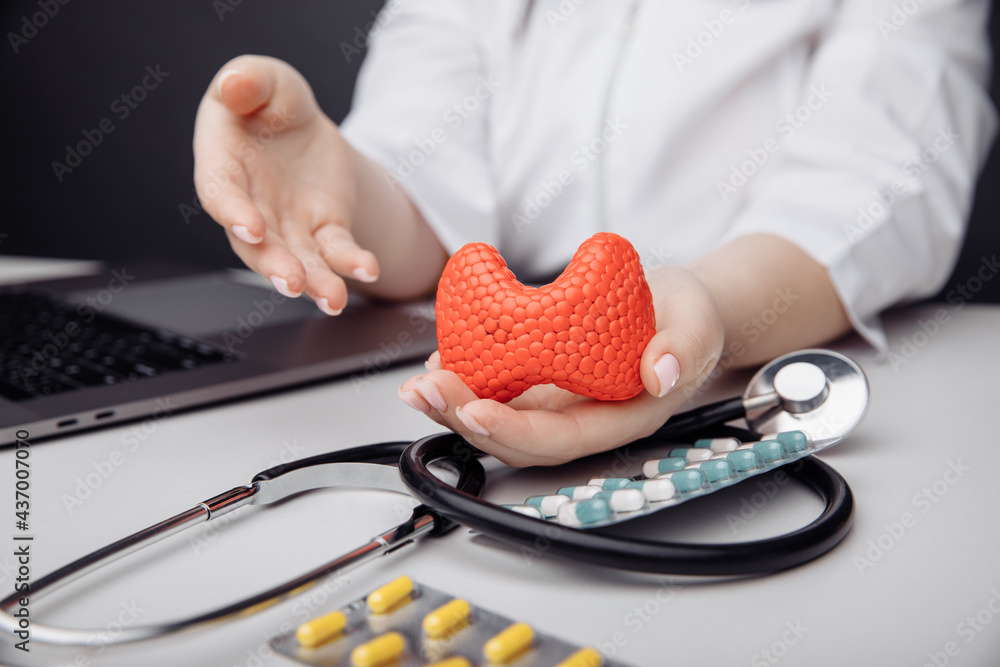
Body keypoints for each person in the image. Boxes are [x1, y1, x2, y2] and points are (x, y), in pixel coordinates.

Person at [193, 0, 996, 466]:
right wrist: (339, 186)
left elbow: (878, 174)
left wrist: (704, 307)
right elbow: (421, 200)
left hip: (752, 384)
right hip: (480, 427)